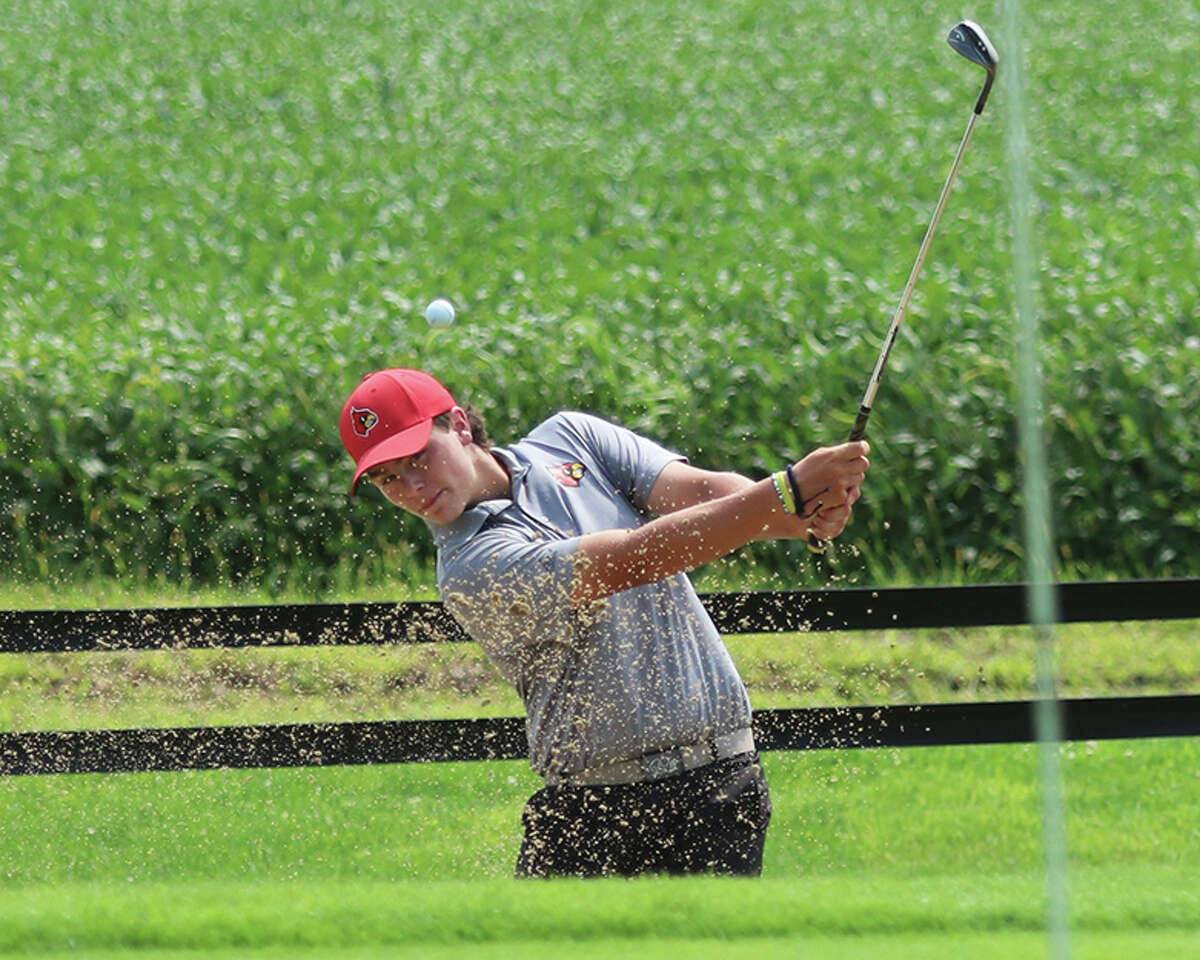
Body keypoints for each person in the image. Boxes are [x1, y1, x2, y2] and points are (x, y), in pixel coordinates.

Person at [339, 367, 869, 878]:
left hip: (722, 787)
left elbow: (704, 493)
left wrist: (801, 513)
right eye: (387, 478)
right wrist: (784, 493)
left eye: (417, 458)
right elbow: (633, 558)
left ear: (458, 425)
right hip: (595, 813)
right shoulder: (469, 566)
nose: (410, 486)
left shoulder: (571, 438)